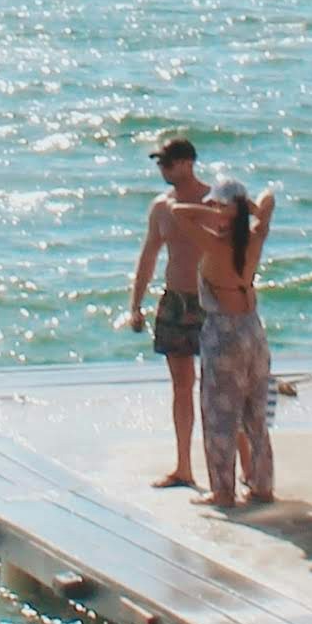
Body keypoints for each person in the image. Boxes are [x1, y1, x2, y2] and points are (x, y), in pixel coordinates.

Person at [126, 135, 214, 488]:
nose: (162, 169)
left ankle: (241, 468)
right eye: (159, 163)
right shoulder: (162, 207)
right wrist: (136, 305)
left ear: (187, 164)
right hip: (176, 301)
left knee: (220, 385)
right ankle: (183, 466)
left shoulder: (214, 201)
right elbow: (149, 255)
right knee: (181, 385)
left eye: (167, 163)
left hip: (212, 302)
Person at [195, 175, 279, 509]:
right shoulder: (255, 236)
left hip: (224, 332)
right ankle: (262, 485)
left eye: (217, 206)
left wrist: (218, 211)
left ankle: (223, 490)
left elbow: (177, 212)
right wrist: (249, 209)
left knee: (220, 415)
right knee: (255, 414)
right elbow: (270, 198)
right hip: (252, 330)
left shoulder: (217, 244)